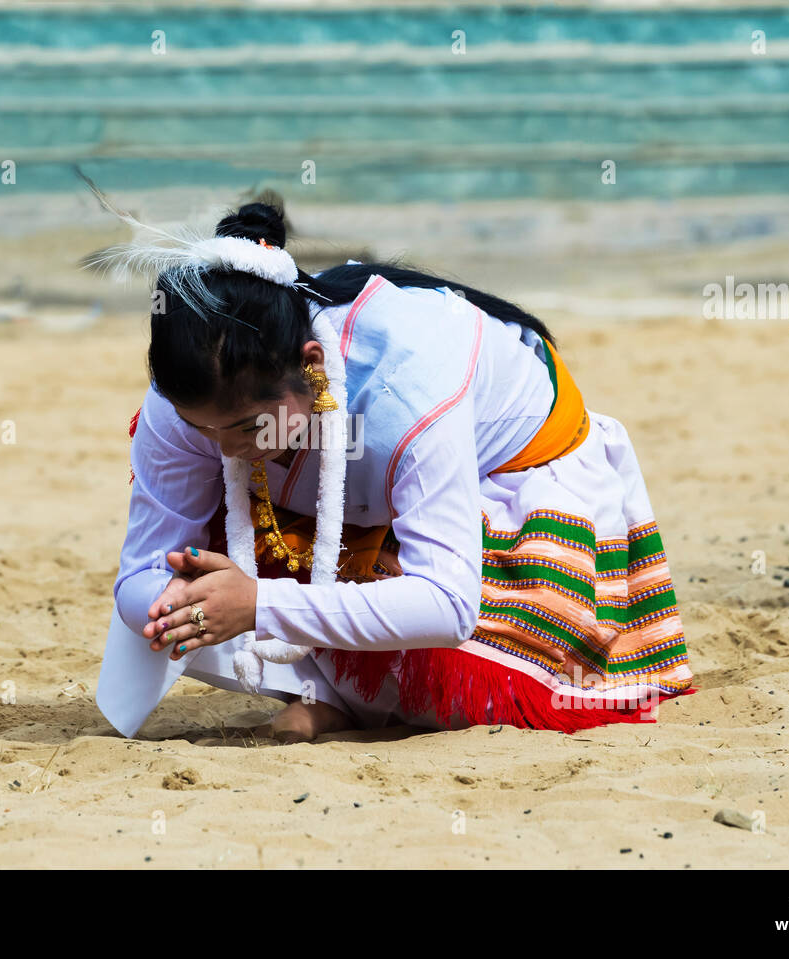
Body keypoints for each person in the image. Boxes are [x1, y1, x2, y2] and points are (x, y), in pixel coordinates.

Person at [91, 193, 694, 742]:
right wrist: (180, 601)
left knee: (494, 687)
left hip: (506, 478)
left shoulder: (410, 384)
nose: (224, 449)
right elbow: (140, 573)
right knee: (183, 605)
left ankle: (346, 699)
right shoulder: (181, 404)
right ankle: (330, 692)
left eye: (249, 426)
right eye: (204, 430)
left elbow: (447, 607)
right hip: (345, 495)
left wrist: (257, 602)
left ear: (312, 364)